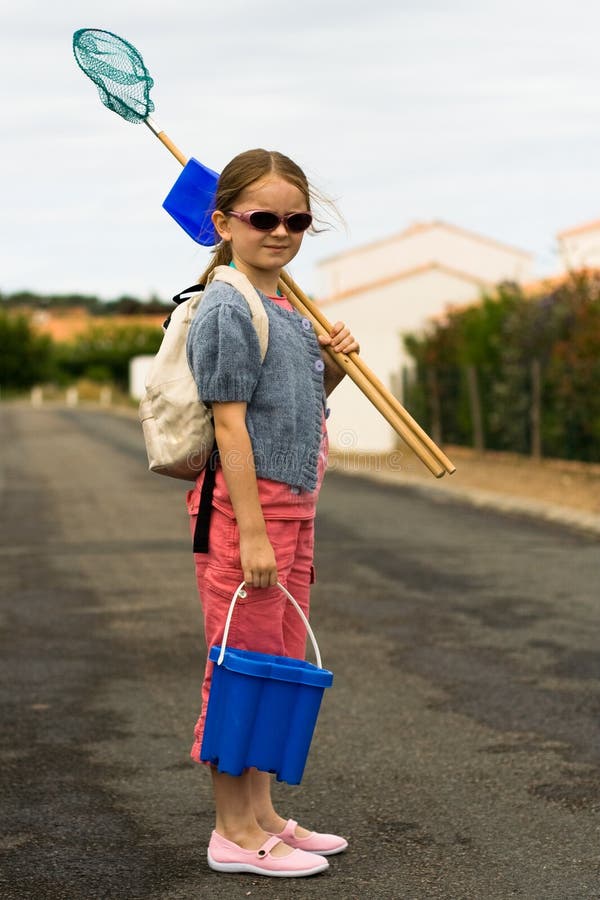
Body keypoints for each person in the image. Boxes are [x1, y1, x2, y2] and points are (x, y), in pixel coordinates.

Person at [185, 148, 359, 878]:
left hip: (294, 509)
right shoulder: (226, 303)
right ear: (224, 222)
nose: (280, 231)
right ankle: (231, 832)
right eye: (262, 218)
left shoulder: (283, 303)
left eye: (296, 219)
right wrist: (251, 532)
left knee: (279, 666)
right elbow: (229, 426)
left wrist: (336, 366)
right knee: (243, 670)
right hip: (245, 518)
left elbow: (294, 413)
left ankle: (262, 816)